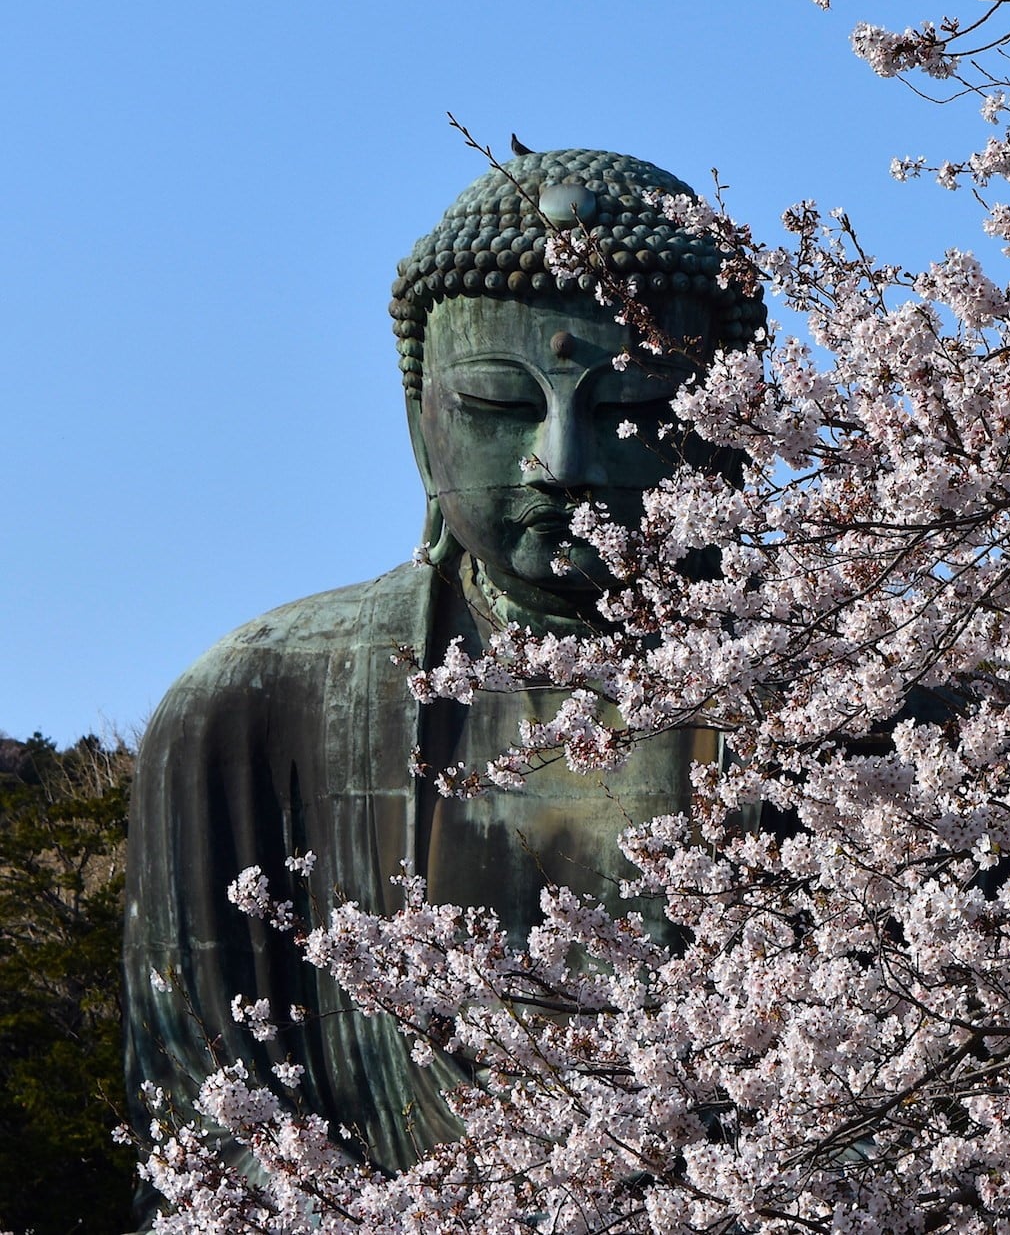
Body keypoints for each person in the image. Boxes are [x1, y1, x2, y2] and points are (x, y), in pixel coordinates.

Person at [122, 149, 764, 1196]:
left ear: (732, 429)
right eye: (501, 406)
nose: (564, 461)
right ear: (421, 423)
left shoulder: (879, 718)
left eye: (630, 407)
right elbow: (199, 1124)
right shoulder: (246, 709)